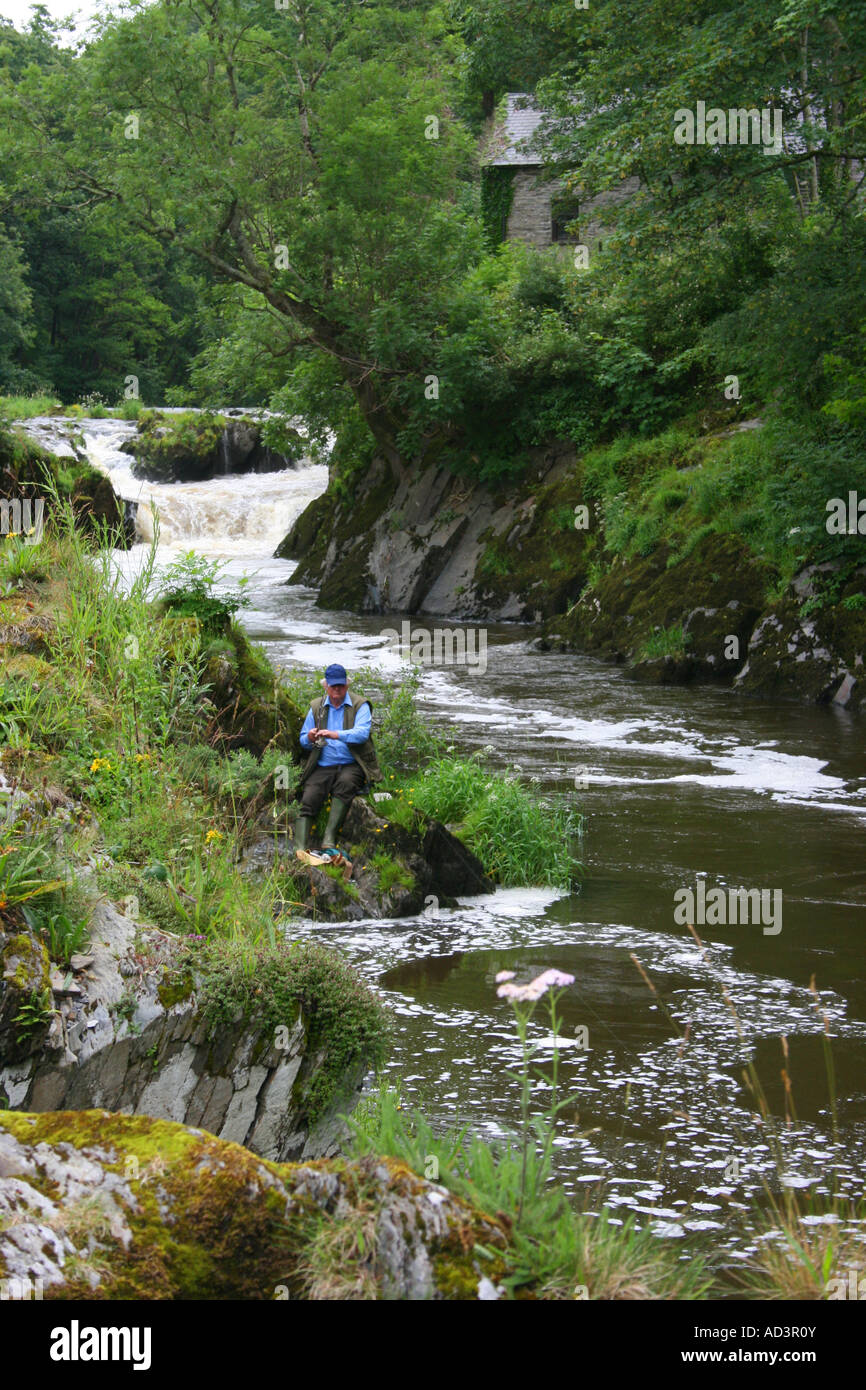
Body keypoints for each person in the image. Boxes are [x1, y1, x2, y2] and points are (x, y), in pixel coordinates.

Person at [294, 662, 382, 864]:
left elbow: (361, 734)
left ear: (347, 685)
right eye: (333, 687)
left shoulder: (361, 705)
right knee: (310, 795)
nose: (337, 691)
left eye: (340, 686)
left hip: (352, 763)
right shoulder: (316, 707)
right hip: (324, 764)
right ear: (326, 686)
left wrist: (335, 734)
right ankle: (300, 849)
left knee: (345, 785)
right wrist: (309, 737)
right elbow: (302, 741)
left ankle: (328, 841)